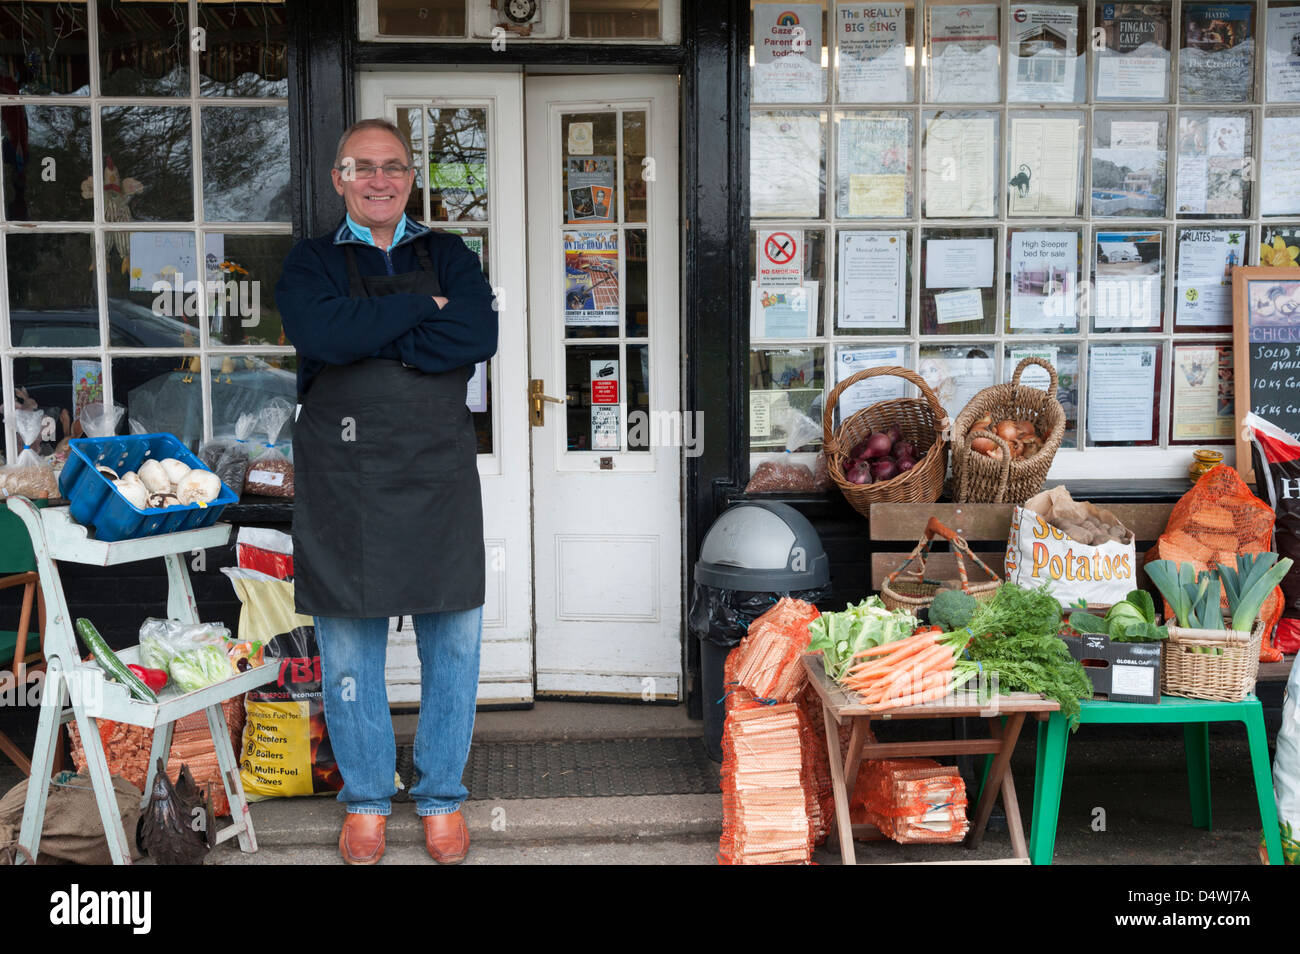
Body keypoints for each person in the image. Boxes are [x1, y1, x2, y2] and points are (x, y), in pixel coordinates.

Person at [274, 118, 498, 865]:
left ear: (410, 177)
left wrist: (367, 325)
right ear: (339, 177)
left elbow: (473, 338)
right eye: (362, 167)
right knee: (347, 651)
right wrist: (413, 312)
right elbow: (321, 336)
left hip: (435, 473)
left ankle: (440, 798)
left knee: (454, 646)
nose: (379, 180)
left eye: (392, 167)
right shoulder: (310, 262)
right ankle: (367, 799)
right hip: (344, 476)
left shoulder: (450, 254)